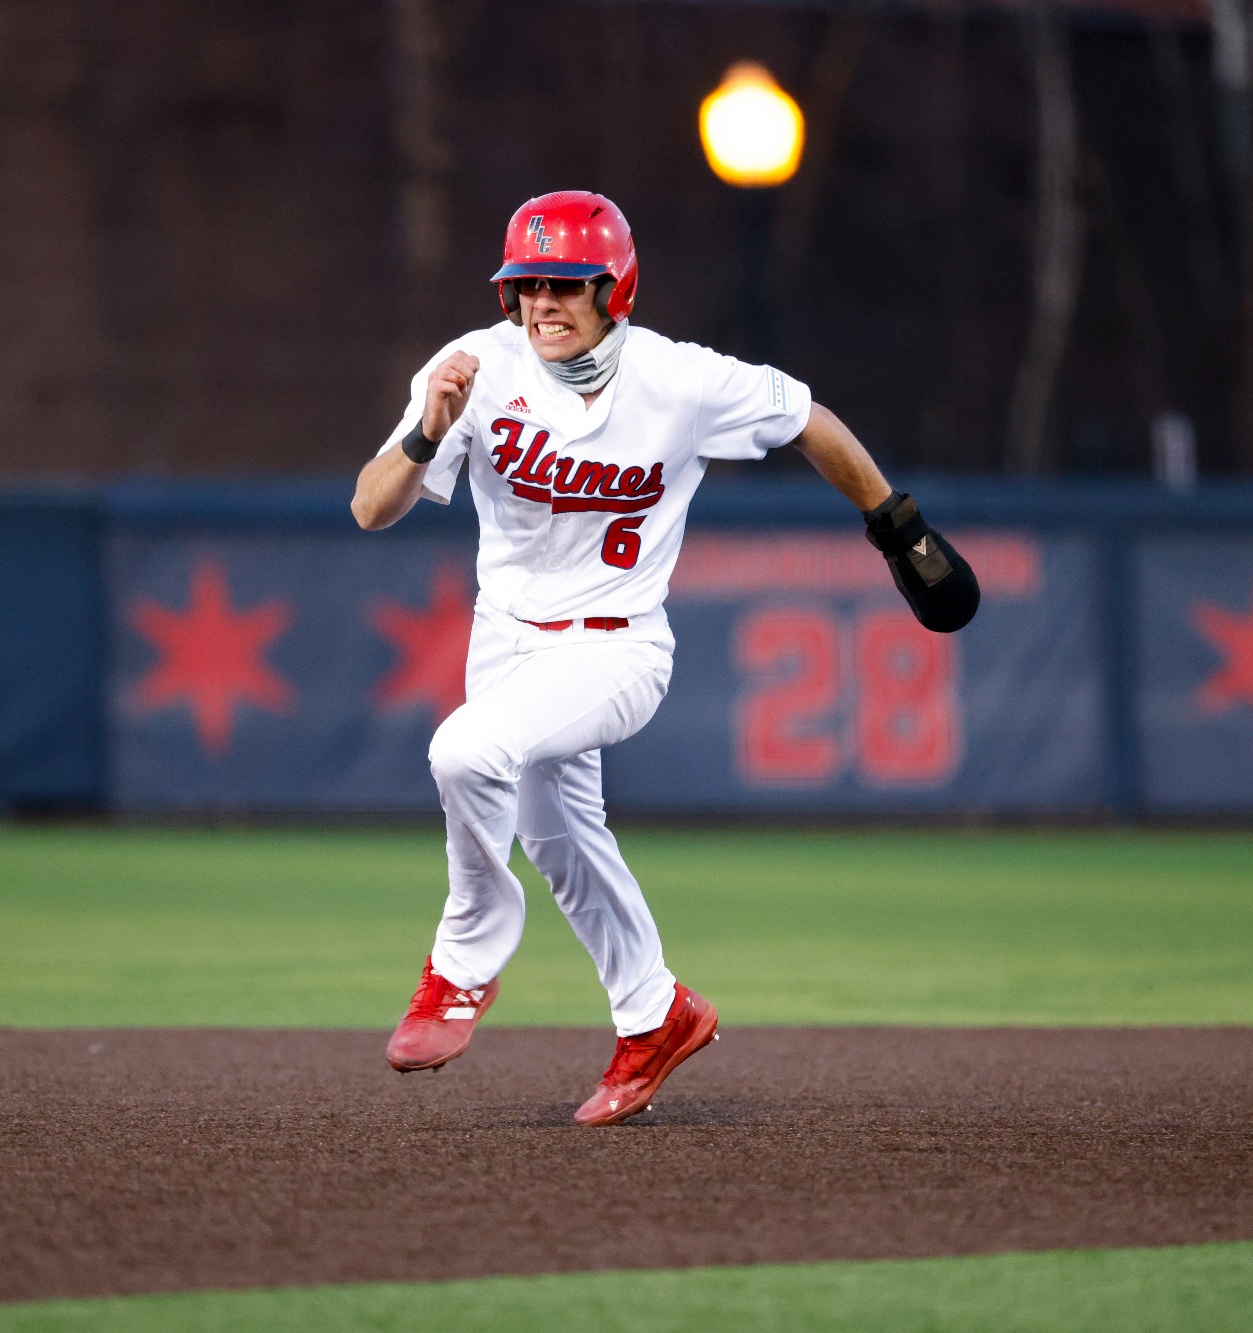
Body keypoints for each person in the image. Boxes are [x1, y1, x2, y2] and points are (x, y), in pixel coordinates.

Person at [351, 190, 977, 1127]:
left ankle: (461, 964)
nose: (541, 305)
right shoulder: (472, 368)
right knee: (563, 845)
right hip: (506, 643)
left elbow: (810, 419)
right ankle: (657, 1014)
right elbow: (370, 507)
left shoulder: (679, 380)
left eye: (566, 285)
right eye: (526, 285)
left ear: (616, 287)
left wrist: (898, 527)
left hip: (618, 648)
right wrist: (428, 430)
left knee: (463, 753)